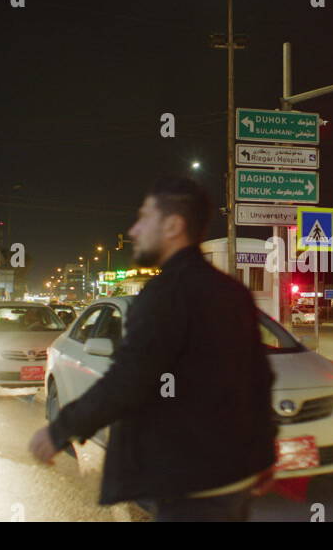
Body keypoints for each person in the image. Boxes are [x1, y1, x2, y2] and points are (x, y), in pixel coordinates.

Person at [29, 177, 277, 521]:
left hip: (190, 481)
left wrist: (59, 429)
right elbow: (259, 380)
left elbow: (127, 381)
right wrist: (264, 453)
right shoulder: (233, 293)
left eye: (144, 217)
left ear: (173, 226)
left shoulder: (165, 294)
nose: (134, 230)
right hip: (236, 476)